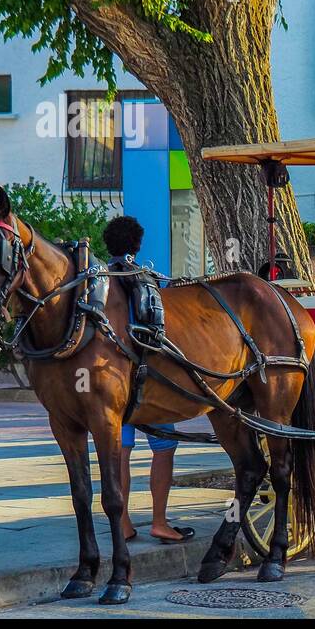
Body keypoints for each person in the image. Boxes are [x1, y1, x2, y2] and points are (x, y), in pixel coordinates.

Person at [102, 215, 194, 545]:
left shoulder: (98, 281)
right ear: (137, 245)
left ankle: (124, 522)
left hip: (111, 383)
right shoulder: (145, 278)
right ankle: (159, 521)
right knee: (164, 449)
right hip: (149, 382)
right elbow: (160, 331)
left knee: (120, 453)